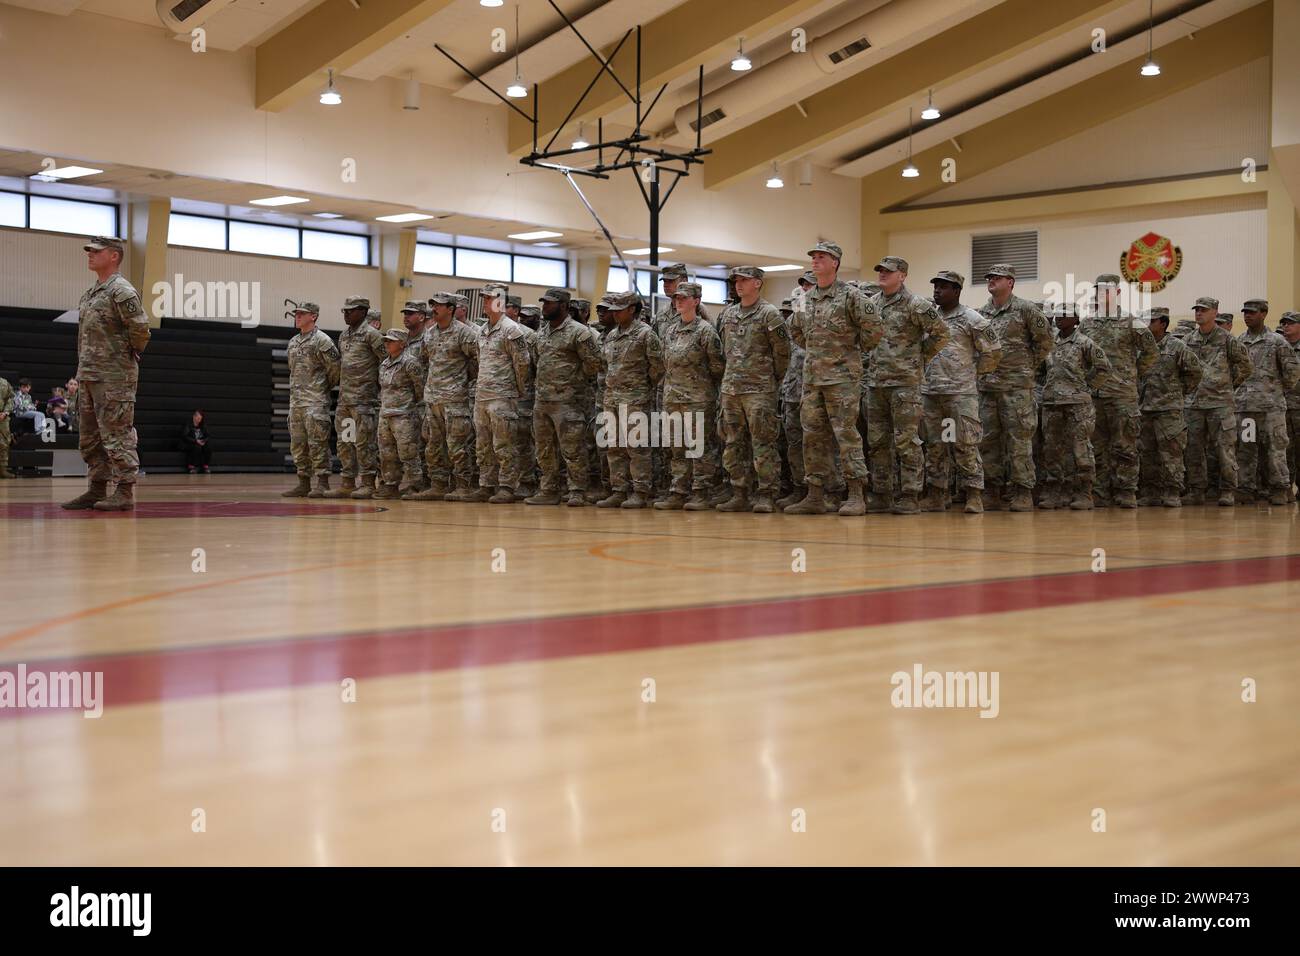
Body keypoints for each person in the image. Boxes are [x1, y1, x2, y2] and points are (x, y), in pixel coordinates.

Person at [785, 242, 882, 516]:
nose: (815, 261)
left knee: (846, 435)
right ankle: (815, 494)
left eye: (821, 257)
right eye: (813, 257)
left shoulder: (852, 297)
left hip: (842, 379)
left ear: (835, 262)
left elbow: (873, 332)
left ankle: (855, 494)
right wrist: (819, 352)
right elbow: (795, 331)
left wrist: (845, 352)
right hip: (813, 378)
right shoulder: (804, 299)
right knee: (812, 436)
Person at [61, 236, 151, 512]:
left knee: (116, 435)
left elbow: (141, 330)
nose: (90, 255)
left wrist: (125, 357)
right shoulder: (91, 293)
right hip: (89, 376)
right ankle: (97, 488)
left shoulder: (121, 290)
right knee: (90, 437)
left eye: (96, 251)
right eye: (89, 250)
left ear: (114, 256)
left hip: (114, 378)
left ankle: (124, 491)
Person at [863, 255, 948, 514]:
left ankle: (910, 494)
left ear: (902, 275)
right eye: (880, 270)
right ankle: (882, 493)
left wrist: (920, 356)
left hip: (904, 384)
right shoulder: (871, 304)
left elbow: (941, 334)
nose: (882, 274)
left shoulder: (916, 304)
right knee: (877, 441)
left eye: (888, 271)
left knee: (907, 441)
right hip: (876, 383)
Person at [976, 263, 1054, 512]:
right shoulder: (983, 313)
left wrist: (1028, 366)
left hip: (1018, 387)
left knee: (1019, 440)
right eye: (989, 277)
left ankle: (1022, 491)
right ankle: (992, 490)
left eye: (996, 278)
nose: (991, 281)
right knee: (988, 442)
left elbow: (1045, 341)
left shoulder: (1025, 309)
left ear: (1010, 282)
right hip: (988, 387)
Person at [922, 270, 1000, 513]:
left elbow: (993, 351)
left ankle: (974, 494)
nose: (937, 290)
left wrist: (974, 374)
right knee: (936, 445)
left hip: (960, 394)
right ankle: (938, 494)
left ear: (956, 291)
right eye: (935, 286)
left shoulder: (972, 318)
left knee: (965, 444)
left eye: (943, 287)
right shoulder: (927, 318)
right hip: (932, 394)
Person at [1078, 274, 1157, 508]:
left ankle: (1126, 491)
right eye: (1099, 290)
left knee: (1125, 446)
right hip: (1095, 396)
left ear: (1118, 293)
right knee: (1097, 447)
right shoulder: (1087, 323)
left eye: (1107, 290)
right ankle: (1101, 491)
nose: (1103, 294)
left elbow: (1151, 352)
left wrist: (1133, 374)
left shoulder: (1132, 322)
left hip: (1123, 395)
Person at [715, 266, 790, 513]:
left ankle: (766, 493)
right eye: (737, 280)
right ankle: (739, 492)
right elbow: (722, 352)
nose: (738, 284)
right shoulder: (727, 315)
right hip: (731, 389)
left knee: (763, 443)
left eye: (745, 280)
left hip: (760, 389)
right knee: (733, 442)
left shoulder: (770, 315)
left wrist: (771, 381)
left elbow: (782, 354)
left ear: (757, 283)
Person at [527, 288, 603, 507]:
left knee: (573, 449)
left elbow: (594, 364)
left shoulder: (579, 332)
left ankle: (577, 489)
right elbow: (536, 360)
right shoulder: (542, 332)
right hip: (543, 400)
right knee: (544, 448)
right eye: (544, 303)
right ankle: (549, 489)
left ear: (563, 306)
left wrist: (573, 383)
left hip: (570, 401)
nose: (544, 307)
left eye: (549, 304)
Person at [656, 282, 724, 510]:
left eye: (684, 298)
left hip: (698, 398)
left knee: (699, 447)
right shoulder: (670, 330)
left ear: (696, 301)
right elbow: (665, 363)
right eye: (676, 298)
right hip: (673, 397)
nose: (679, 301)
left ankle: (701, 491)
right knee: (677, 447)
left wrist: (702, 388)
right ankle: (678, 490)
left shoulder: (705, 330)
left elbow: (717, 366)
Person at [1038, 305, 1111, 509]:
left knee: (1081, 449)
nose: (1059, 319)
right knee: (1052, 450)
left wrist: (1086, 387)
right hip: (1052, 403)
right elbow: (1039, 370)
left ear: (1076, 319)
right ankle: (1055, 492)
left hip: (1078, 405)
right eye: (1057, 315)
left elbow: (1104, 368)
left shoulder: (1084, 342)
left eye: (1065, 315)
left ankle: (1084, 492)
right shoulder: (1049, 342)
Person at [1182, 296, 1251, 506]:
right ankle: (1197, 490)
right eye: (1197, 310)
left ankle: (1228, 490)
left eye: (1203, 310)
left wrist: (1229, 386)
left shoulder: (1227, 339)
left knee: (1224, 449)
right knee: (1194, 448)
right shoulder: (1188, 340)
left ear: (1215, 312)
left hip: (1220, 404)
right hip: (1194, 405)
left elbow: (1246, 366)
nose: (1198, 313)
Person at [597, 291, 664, 509]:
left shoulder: (646, 334)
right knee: (614, 446)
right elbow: (606, 366)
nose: (615, 315)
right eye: (613, 311)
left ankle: (640, 491)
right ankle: (619, 490)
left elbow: (657, 368)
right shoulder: (612, 335)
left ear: (632, 310)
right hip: (612, 398)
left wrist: (641, 389)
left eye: (620, 310)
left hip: (635, 399)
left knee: (636, 447)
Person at [1234, 299, 1300, 505]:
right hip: (1246, 409)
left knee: (1276, 449)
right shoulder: (1239, 341)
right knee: (1246, 450)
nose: (1247, 315)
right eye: (1245, 312)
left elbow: (1292, 373)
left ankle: (1279, 489)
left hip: (1271, 409)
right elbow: (1233, 372)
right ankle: (1246, 489)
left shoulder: (1277, 341)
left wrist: (1274, 391)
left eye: (1252, 312)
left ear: (1263, 313)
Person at [414, 292, 479, 501]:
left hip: (455, 400)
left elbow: (477, 362)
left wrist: (460, 382)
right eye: (433, 305)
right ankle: (438, 485)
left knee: (457, 446)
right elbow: (425, 361)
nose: (434, 309)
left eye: (439, 306)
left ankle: (463, 486)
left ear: (450, 309)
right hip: (433, 399)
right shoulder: (429, 333)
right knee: (433, 445)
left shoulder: (465, 334)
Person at [472, 283, 532, 503]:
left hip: (503, 396)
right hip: (482, 396)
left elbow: (522, 364)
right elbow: (480, 360)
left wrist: (516, 390)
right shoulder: (482, 330)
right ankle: (486, 484)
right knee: (483, 445)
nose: (485, 302)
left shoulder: (511, 330)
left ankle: (507, 486)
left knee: (504, 444)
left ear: (500, 301)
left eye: (489, 298)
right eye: (485, 298)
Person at [1137, 308, 1202, 507]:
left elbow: (1195, 372)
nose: (1147, 324)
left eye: (1151, 321)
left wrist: (1179, 392)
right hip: (1145, 407)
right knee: (1147, 452)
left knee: (1171, 453)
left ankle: (1172, 491)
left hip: (1169, 409)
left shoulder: (1177, 346)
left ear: (1163, 324)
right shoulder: (1141, 347)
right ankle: (1150, 492)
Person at [281, 301, 341, 498]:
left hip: (315, 401)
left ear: (313, 316)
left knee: (318, 443)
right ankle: (303, 482)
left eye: (302, 313)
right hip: (296, 402)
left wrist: (321, 389)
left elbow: (335, 369)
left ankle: (322, 482)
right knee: (298, 444)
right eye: (296, 313)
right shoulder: (293, 342)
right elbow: (292, 370)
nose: (297, 316)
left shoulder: (322, 340)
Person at [328, 295, 385, 499]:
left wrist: (378, 391)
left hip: (364, 400)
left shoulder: (372, 335)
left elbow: (386, 363)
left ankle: (368, 482)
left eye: (350, 310)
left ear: (362, 312)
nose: (346, 314)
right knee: (345, 441)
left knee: (364, 443)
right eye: (344, 311)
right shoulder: (344, 336)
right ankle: (348, 482)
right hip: (345, 400)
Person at [375, 327, 426, 499]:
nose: (387, 343)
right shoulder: (384, 364)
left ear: (402, 344)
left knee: (408, 452)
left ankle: (415, 485)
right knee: (387, 453)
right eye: (386, 340)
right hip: (385, 414)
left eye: (391, 340)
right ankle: (391, 484)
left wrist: (411, 407)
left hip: (404, 414)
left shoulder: (410, 362)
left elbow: (420, 388)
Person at [1280, 311, 1300, 501]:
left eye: (1291, 323)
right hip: (1283, 407)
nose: (1286, 327)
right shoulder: (1278, 346)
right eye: (1284, 324)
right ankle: (1286, 487)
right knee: (1285, 449)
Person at [180, 409, 211, 473]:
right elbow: (184, 436)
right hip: (189, 443)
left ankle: (205, 466)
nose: (199, 420)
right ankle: (191, 467)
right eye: (198, 418)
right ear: (194, 417)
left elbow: (208, 435)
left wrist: (204, 441)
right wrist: (195, 441)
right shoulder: (188, 424)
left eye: (200, 419)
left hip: (199, 442)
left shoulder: (203, 425)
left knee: (208, 447)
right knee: (197, 447)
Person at [0, 374, 14, 479]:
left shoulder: (4, 383)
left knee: (4, 443)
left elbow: (10, 399)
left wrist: (5, 412)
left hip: (2, 417)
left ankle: (2, 470)